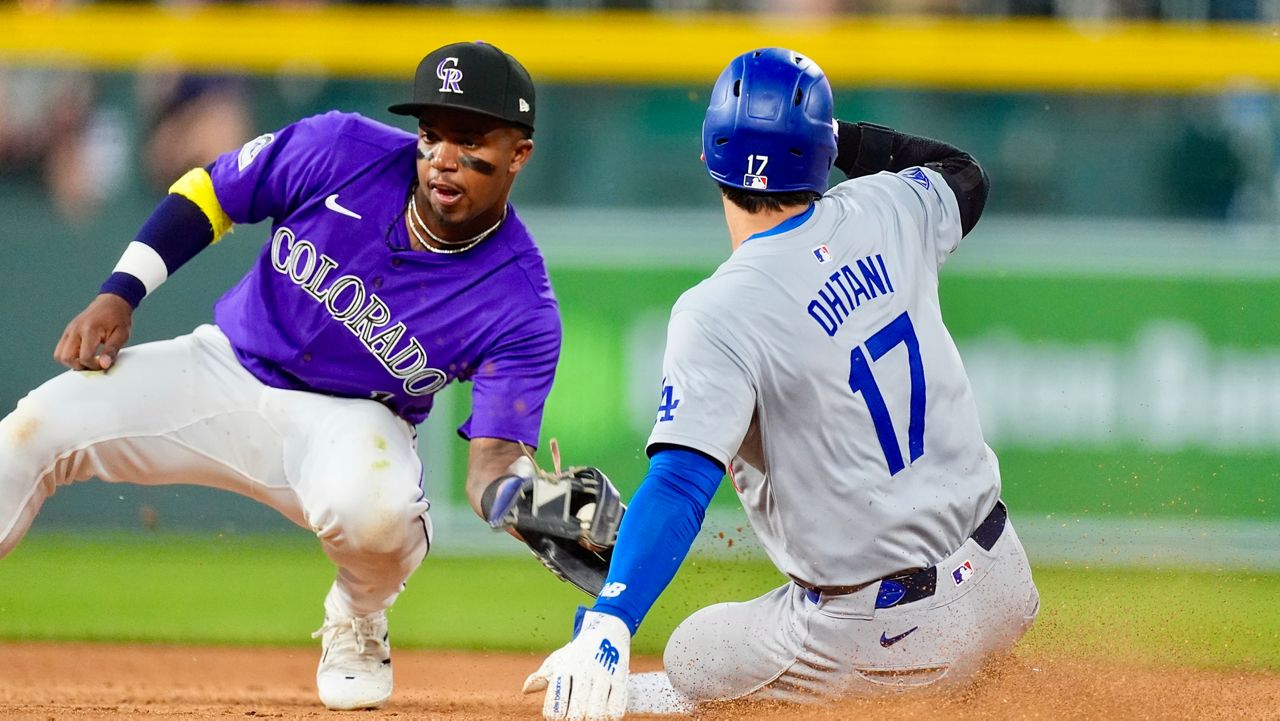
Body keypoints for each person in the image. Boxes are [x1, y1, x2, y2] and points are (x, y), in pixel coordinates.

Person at [0, 41, 560, 711]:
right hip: (223, 369)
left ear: (518, 153)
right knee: (29, 432)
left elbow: (493, 461)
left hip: (352, 423)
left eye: (469, 141)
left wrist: (528, 502)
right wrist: (121, 291)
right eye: (431, 134)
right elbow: (211, 192)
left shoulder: (520, 301)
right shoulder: (339, 147)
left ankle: (356, 617)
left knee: (378, 516)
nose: (442, 159)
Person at [524, 47, 1040, 720]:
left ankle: (677, 697)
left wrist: (611, 616)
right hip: (1004, 581)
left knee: (692, 654)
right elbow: (963, 172)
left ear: (711, 151)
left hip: (890, 639)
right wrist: (823, 137)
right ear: (821, 150)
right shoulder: (885, 205)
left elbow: (681, 484)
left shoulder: (719, 309)